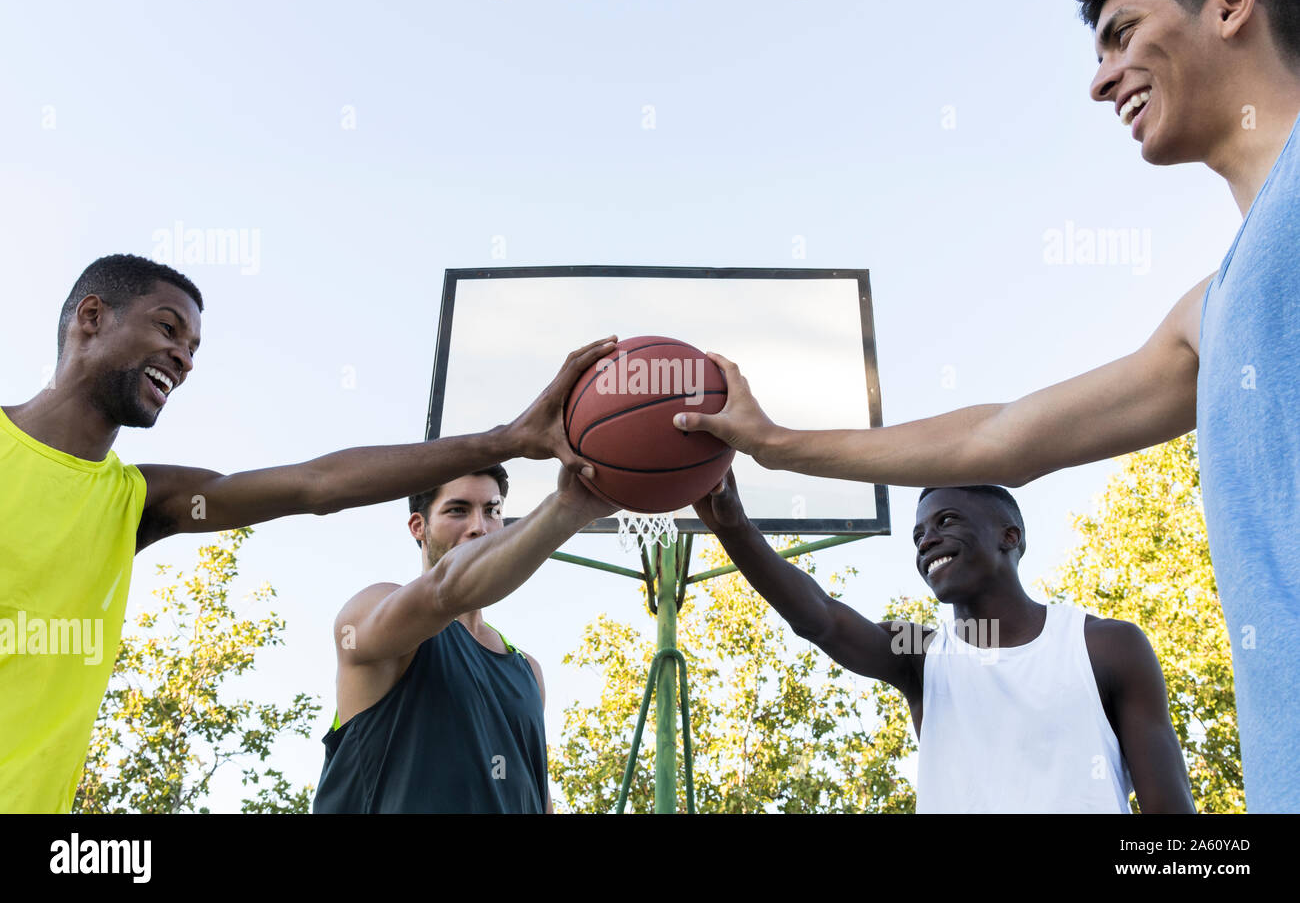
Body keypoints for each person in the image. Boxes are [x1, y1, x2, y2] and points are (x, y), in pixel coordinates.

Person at [675, 0, 1300, 812]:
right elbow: (995, 437)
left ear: (1231, 1)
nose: (1100, 81)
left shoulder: (1103, 648)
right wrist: (773, 449)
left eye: (1121, 35)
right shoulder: (1209, 317)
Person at [0, 253, 616, 813]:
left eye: (194, 347)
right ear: (91, 317)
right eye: (168, 329)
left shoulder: (140, 500)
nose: (185, 359)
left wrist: (509, 438)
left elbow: (315, 485)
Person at [693, 471, 1195, 812]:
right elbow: (820, 618)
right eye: (918, 536)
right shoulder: (921, 652)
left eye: (946, 521)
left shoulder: (1105, 646)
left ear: (1009, 535)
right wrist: (733, 527)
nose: (926, 539)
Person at [313, 464, 612, 812]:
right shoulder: (370, 611)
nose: (479, 527)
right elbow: (444, 590)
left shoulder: (528, 671)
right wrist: (567, 509)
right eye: (458, 510)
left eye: (492, 511)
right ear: (418, 527)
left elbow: (537, 799)